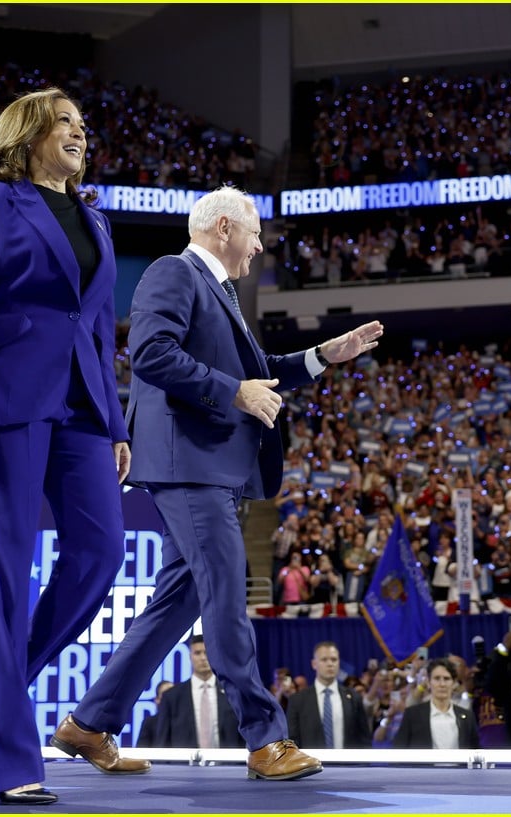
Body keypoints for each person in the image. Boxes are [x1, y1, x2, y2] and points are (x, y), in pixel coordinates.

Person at [49, 185, 385, 781]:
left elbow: (263, 373)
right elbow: (150, 354)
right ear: (225, 227)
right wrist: (233, 391)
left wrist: (323, 357)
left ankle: (89, 722)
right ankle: (265, 740)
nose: (260, 246)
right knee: (229, 592)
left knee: (177, 603)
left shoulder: (223, 294)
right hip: (189, 464)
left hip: (211, 469)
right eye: (256, 234)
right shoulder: (173, 272)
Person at [0, 88, 134, 806]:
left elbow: (102, 323)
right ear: (30, 132)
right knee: (1, 576)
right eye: (67, 123)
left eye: (85, 124)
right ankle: (5, 761)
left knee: (102, 551)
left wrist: (114, 423)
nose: (82, 133)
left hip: (82, 408)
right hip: (5, 404)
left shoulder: (95, 217)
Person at [154, 635, 243, 748]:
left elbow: (243, 737)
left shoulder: (233, 694)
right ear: (190, 657)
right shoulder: (172, 697)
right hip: (182, 765)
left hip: (227, 764)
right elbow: (162, 742)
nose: (203, 658)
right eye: (197, 653)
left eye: (207, 653)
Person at [286, 642, 374, 749]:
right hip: (311, 764)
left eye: (334, 660)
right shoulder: (298, 700)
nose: (330, 664)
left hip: (347, 765)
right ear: (314, 664)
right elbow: (292, 740)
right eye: (324, 660)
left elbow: (364, 738)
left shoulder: (353, 698)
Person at [391, 658, 480, 749]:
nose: (442, 684)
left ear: (453, 683)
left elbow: (475, 752)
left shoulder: (467, 717)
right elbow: (399, 750)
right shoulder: (413, 715)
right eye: (437, 678)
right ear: (429, 683)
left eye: (446, 679)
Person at [135, 681, 174, 748]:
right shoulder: (149, 723)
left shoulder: (184, 722)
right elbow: (141, 751)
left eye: (173, 694)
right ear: (157, 700)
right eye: (166, 695)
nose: (170, 699)